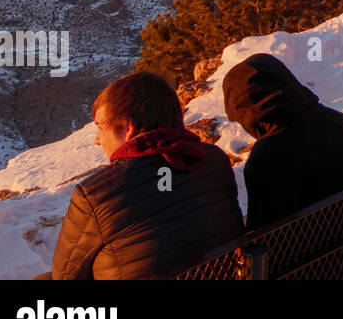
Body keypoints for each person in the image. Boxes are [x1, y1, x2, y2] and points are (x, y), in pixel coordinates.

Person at [44, 72, 243, 280]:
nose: (97, 139)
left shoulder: (96, 195)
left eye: (101, 128)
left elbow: (65, 276)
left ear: (128, 129)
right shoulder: (213, 160)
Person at [222, 53, 343, 230]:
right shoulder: (342, 123)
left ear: (250, 115)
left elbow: (263, 236)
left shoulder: (267, 158)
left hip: (314, 255)